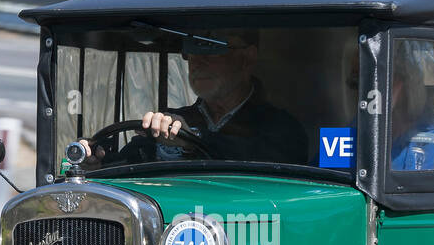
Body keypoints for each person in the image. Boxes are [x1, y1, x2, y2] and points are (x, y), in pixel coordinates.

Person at [79, 30, 308, 166]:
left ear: (246, 58)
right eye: (191, 48)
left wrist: (190, 142)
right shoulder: (176, 119)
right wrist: (98, 164)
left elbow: (268, 163)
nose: (197, 60)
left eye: (210, 46)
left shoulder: (281, 128)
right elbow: (131, 164)